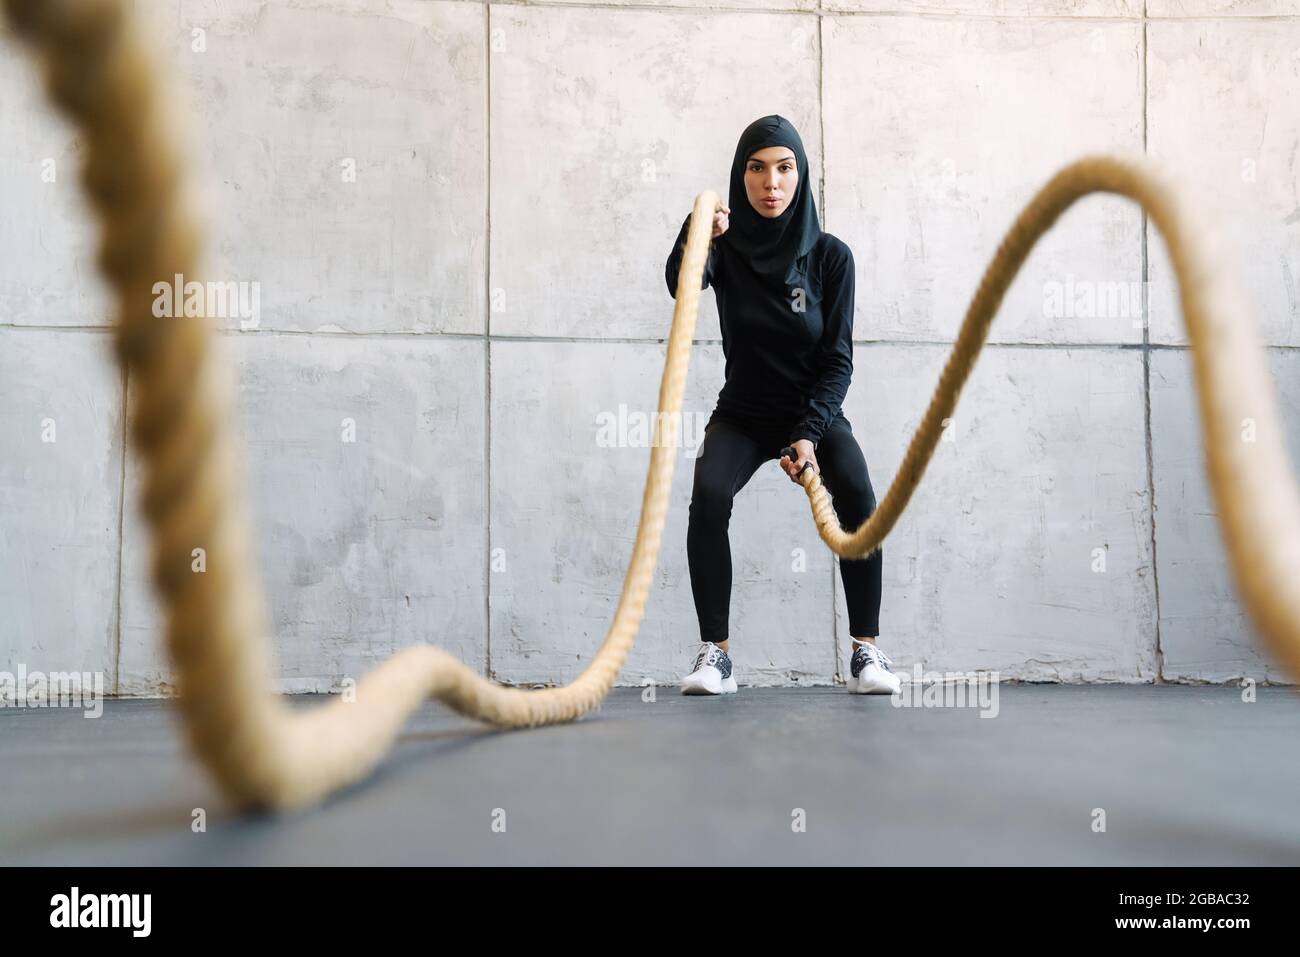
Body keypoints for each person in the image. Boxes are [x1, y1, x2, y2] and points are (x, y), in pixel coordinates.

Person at [664, 114, 898, 697]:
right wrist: (693, 231)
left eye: (784, 168)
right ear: (741, 177)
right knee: (709, 493)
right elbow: (681, 284)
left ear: (802, 176)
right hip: (743, 413)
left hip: (811, 415)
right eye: (757, 168)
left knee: (860, 497)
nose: (771, 182)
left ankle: (866, 652)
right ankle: (715, 656)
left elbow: (838, 360)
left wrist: (810, 432)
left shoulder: (830, 258)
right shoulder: (724, 249)